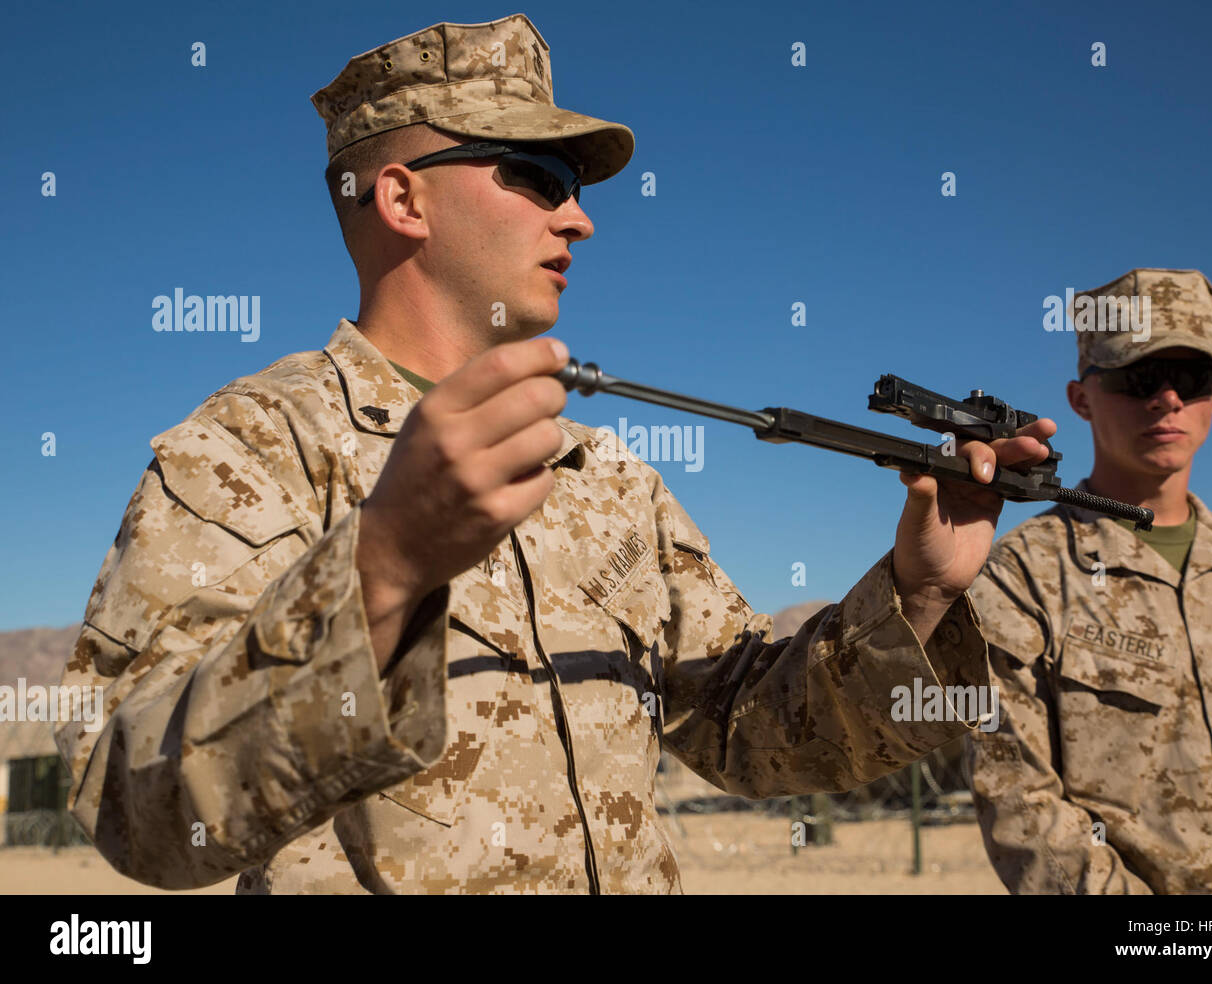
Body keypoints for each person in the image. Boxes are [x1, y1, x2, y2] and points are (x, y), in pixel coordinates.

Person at [57, 14, 1052, 894]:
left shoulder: (606, 476)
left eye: (571, 186)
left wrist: (915, 593)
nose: (578, 215)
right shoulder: (247, 449)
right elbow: (134, 809)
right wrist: (383, 566)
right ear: (401, 199)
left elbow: (750, 731)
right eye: (536, 177)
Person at [967, 267, 1212, 894]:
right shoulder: (1023, 578)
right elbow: (1022, 806)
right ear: (1081, 398)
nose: (1168, 399)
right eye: (1139, 378)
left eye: (1194, 379)